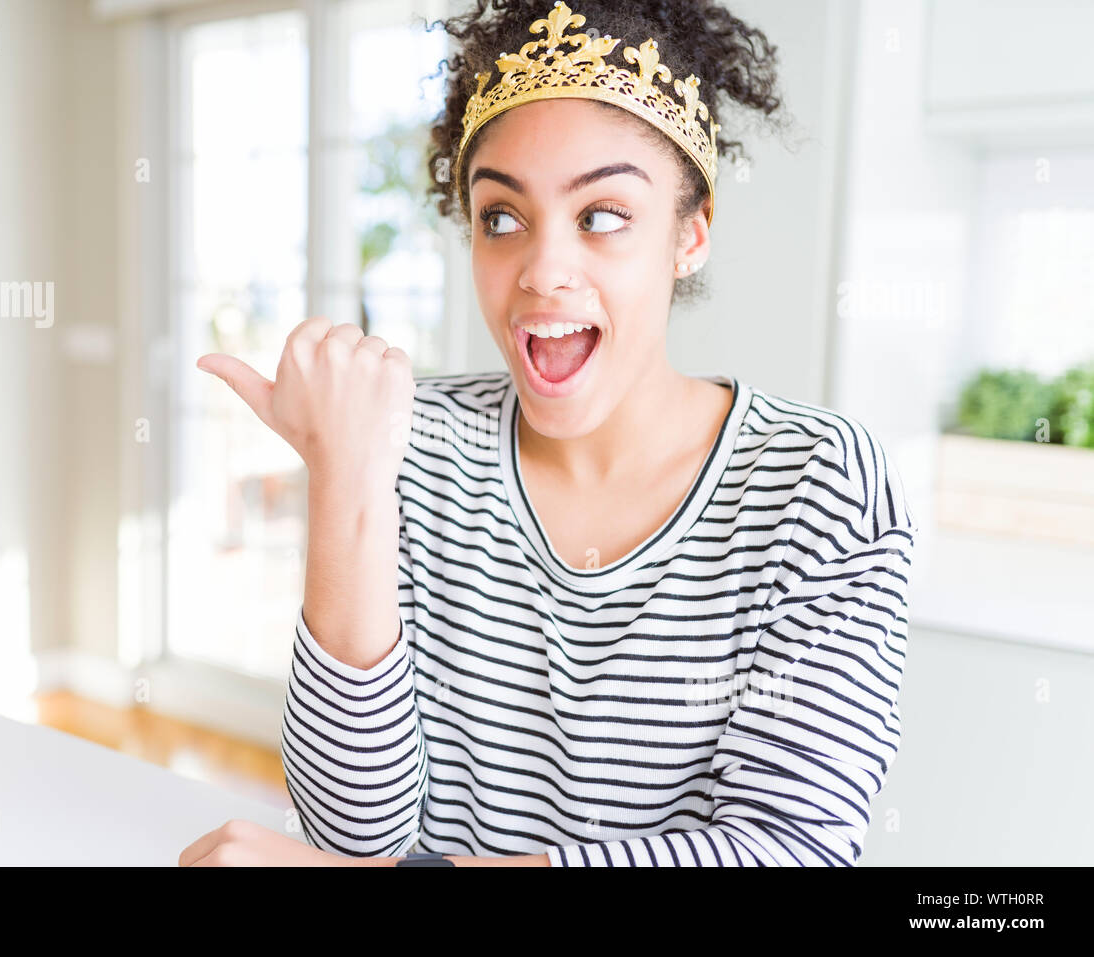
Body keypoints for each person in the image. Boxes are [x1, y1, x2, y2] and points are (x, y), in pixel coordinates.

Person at [180, 0, 918, 867]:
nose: (542, 268)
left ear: (690, 234)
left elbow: (789, 851)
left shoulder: (822, 486)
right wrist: (348, 478)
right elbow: (355, 837)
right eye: (502, 216)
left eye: (602, 214)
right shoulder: (407, 442)